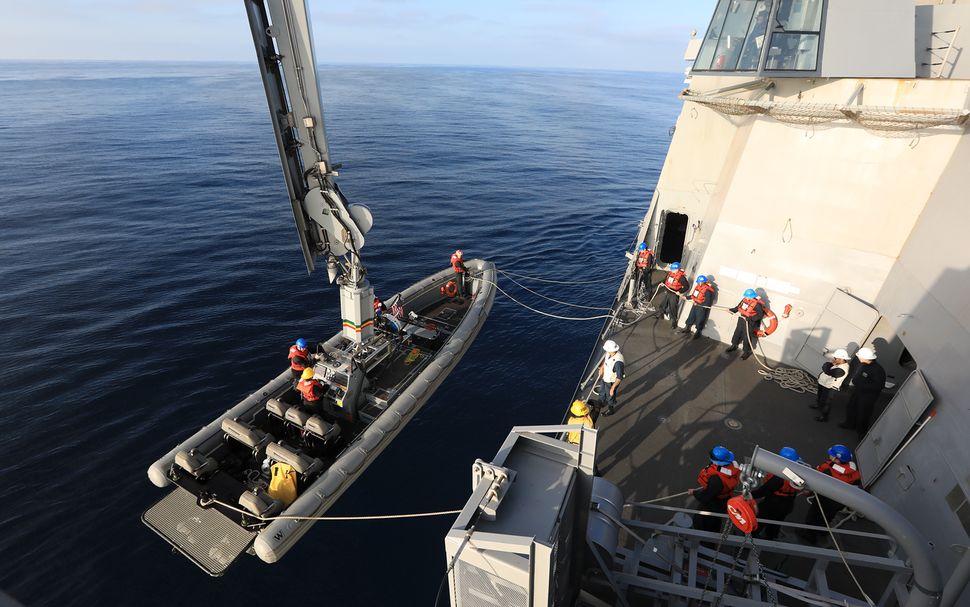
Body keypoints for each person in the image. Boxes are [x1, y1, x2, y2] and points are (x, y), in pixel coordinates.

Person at [799, 444, 861, 544]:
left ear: (837, 460)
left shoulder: (828, 470)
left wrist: (808, 491)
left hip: (825, 499)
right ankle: (822, 531)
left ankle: (809, 535)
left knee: (813, 516)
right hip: (839, 502)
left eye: (832, 455)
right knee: (828, 517)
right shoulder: (854, 473)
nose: (829, 456)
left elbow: (816, 482)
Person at [752, 447, 802, 541]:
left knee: (760, 519)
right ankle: (771, 536)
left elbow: (764, 491)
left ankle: (751, 537)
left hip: (774, 503)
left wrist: (750, 495)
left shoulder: (779, 478)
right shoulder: (797, 474)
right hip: (788, 503)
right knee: (776, 522)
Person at [688, 446, 741, 533]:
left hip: (714, 503)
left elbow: (705, 497)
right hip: (724, 500)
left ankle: (704, 538)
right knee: (716, 519)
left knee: (705, 521)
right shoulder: (732, 467)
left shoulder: (716, 480)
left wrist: (694, 492)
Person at [839, 347, 886, 439]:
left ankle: (861, 433)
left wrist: (861, 385)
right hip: (858, 392)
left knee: (864, 413)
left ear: (865, 357)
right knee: (851, 407)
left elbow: (879, 386)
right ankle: (850, 424)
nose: (858, 358)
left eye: (860, 356)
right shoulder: (863, 365)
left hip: (868, 396)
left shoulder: (878, 370)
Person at [725, 288, 765, 360]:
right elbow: (738, 307)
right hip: (741, 319)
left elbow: (760, 315)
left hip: (750, 322)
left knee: (747, 336)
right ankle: (734, 345)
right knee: (737, 332)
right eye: (745, 296)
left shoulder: (757, 305)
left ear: (752, 296)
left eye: (747, 296)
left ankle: (746, 352)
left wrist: (750, 319)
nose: (746, 297)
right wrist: (732, 310)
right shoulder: (744, 300)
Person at [812, 348, 850, 422]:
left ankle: (824, 416)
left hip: (830, 387)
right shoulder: (837, 363)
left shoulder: (843, 369)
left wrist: (829, 365)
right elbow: (825, 366)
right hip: (823, 383)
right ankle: (818, 405)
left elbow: (828, 371)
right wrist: (829, 365)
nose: (834, 359)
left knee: (826, 402)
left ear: (841, 359)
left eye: (835, 358)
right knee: (820, 396)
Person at [596, 340, 625, 416]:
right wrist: (602, 368)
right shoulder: (609, 353)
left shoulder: (618, 362)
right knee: (602, 390)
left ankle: (610, 409)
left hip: (612, 381)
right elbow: (606, 360)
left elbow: (619, 377)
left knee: (610, 396)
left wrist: (612, 388)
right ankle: (601, 402)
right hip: (606, 377)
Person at [658, 262, 689, 329]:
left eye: (673, 269)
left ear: (677, 269)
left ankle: (674, 321)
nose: (671, 270)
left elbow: (687, 286)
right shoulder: (670, 273)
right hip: (668, 291)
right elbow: (666, 279)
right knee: (663, 303)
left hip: (674, 294)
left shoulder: (681, 277)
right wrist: (662, 283)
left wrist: (680, 291)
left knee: (673, 307)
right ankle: (661, 313)